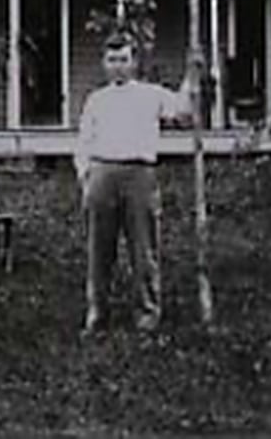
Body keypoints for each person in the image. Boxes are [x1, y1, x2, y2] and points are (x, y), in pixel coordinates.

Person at [73, 34, 196, 334]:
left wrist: (191, 77)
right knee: (99, 251)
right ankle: (97, 314)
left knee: (144, 249)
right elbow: (83, 142)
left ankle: (146, 315)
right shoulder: (96, 100)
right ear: (104, 63)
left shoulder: (151, 95)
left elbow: (183, 113)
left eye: (124, 60)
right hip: (102, 173)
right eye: (112, 60)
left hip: (140, 174)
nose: (118, 66)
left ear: (134, 62)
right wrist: (86, 176)